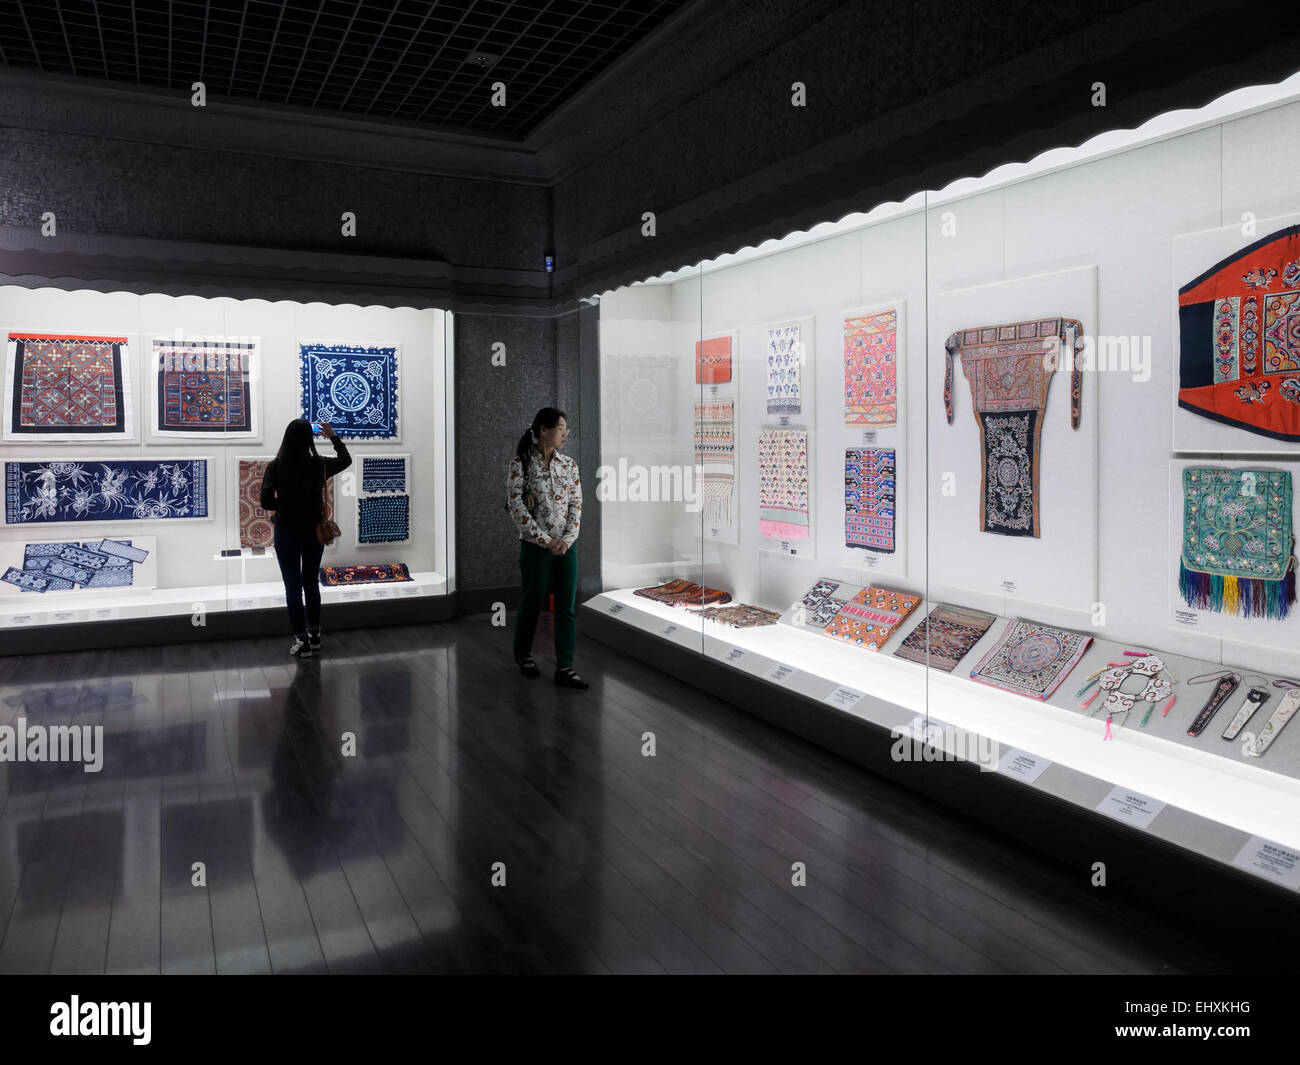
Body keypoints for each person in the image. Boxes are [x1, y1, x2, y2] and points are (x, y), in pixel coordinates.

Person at [506, 407, 587, 689]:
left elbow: (577, 506)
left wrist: (567, 539)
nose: (565, 433)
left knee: (566, 606)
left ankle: (565, 666)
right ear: (543, 430)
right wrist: (545, 540)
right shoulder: (521, 465)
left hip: (567, 547)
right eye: (561, 428)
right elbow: (516, 508)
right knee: (533, 601)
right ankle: (523, 654)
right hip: (534, 547)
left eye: (566, 429)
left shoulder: (570, 466)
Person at [260, 419, 351, 658]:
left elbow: (266, 502)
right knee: (310, 582)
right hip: (313, 531)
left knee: (292, 586)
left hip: (286, 531)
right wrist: (333, 436)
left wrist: (285, 505)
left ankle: (302, 640)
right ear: (309, 441)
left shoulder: (275, 467)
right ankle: (315, 635)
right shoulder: (318, 464)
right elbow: (346, 460)